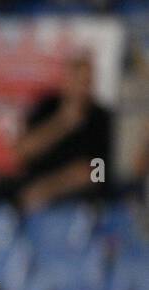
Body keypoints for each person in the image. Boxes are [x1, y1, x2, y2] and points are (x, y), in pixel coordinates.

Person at [15, 52, 112, 211]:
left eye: (86, 82)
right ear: (65, 80)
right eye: (76, 80)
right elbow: (21, 151)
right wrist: (63, 123)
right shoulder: (45, 107)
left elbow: (98, 172)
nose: (81, 88)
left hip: (80, 201)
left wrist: (50, 188)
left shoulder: (100, 117)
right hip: (33, 195)